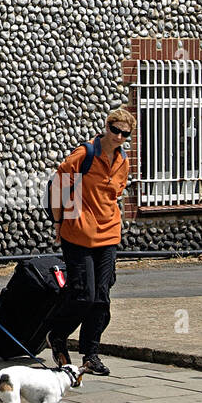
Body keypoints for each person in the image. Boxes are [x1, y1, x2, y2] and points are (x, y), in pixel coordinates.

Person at [47, 107, 134, 377]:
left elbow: (114, 195)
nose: (119, 137)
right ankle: (58, 335)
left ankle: (91, 353)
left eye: (125, 134)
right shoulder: (84, 154)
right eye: (115, 130)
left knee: (102, 297)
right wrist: (59, 223)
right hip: (78, 234)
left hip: (108, 235)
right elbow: (59, 187)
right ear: (106, 127)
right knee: (84, 293)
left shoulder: (123, 161)